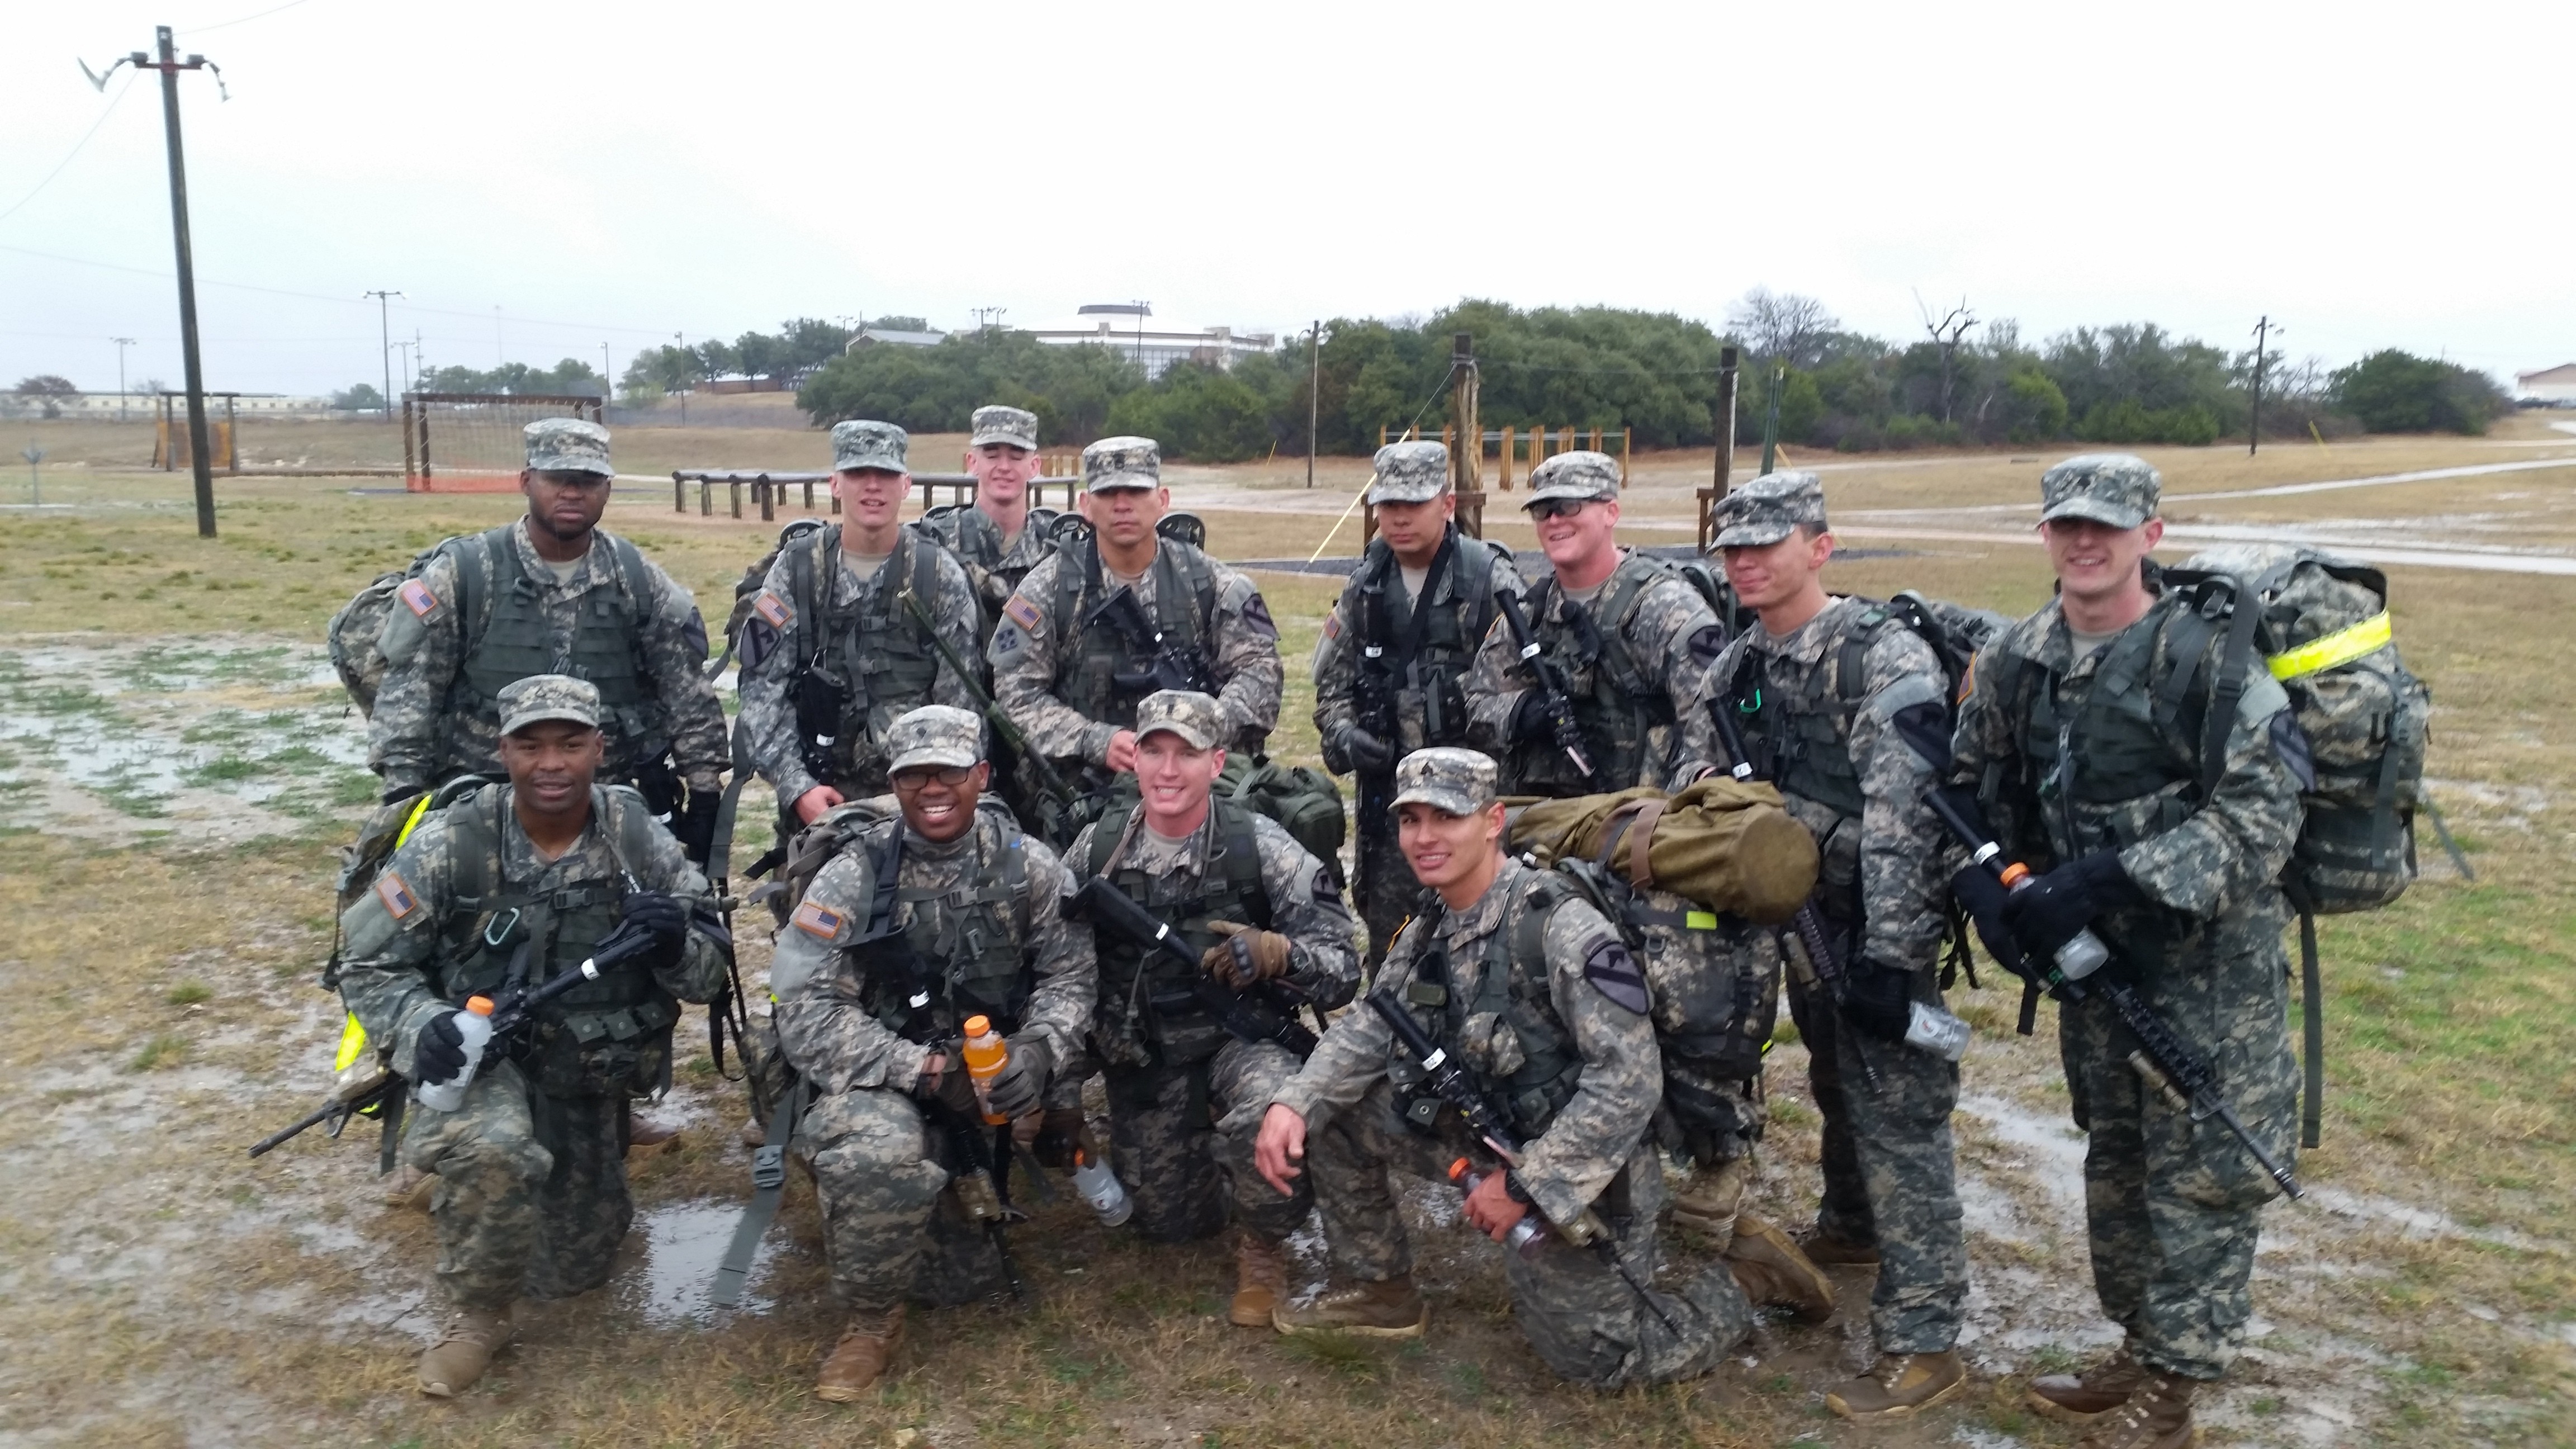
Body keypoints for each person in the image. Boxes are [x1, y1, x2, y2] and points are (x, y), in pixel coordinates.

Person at [1251, 748, 1829, 1388]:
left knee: (1602, 1363)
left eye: (1446, 818)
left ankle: (1750, 1274)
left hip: (1584, 1162)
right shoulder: (1435, 917)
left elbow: (1628, 1084)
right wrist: (1295, 1102)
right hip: (1488, 1124)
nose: (1424, 837)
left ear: (1494, 820)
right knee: (1336, 1110)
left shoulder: (1562, 929)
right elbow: (1374, 1023)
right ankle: (1380, 1289)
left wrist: (1527, 1188)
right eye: (1411, 820)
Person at [1947, 454, 2308, 1449]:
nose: (2083, 541)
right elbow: (1970, 791)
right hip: (2085, 963)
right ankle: (2142, 1344)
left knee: (2198, 1172)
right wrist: (1993, 896)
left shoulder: (2205, 660)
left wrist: (2103, 878)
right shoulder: (2019, 658)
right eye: (2065, 524)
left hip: (2206, 969)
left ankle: (2177, 1388)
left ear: (2150, 535)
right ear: (2044, 535)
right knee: (2116, 1158)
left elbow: (2259, 820)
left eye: (2105, 525)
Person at [335, 675, 727, 1397]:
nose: (552, 764)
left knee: (575, 1270)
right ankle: (476, 1316)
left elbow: (707, 977)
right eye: (532, 746)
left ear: (599, 751)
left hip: (589, 1068)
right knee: (497, 1153)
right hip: (480, 1059)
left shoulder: (635, 836)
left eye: (571, 745)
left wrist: (675, 944)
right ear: (503, 750)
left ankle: (466, 1183)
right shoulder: (454, 840)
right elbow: (365, 960)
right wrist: (424, 1026)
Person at [1706, 472, 1969, 1420]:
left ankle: (1925, 1339)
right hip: (1802, 920)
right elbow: (1719, 796)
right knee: (1831, 1077)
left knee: (1901, 1115)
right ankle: (1851, 1230)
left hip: (1883, 922)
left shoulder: (1878, 659)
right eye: (1730, 546)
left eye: (1765, 544)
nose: (1743, 561)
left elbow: (1906, 823)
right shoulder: (1735, 669)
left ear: (1818, 547)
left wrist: (1894, 966)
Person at [766, 705, 1094, 1400]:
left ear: (979, 775)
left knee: (960, 1284)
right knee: (874, 1155)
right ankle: (869, 1325)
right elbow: (805, 1012)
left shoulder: (1028, 866)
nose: (932, 789)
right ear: (894, 783)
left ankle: (947, 1199)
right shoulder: (853, 876)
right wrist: (922, 1071)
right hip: (881, 1080)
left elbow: (1071, 978)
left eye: (947, 772)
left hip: (986, 1083)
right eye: (913, 776)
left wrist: (1036, 1054)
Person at [1063, 690, 1359, 1328]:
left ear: (1217, 762)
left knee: (1271, 1105)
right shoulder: (1097, 849)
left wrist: (1282, 954)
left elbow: (1343, 972)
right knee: (1172, 1227)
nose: (1168, 771)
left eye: (1187, 755)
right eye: (1154, 752)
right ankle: (1197, 1144)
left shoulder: (1262, 847)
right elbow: (1057, 964)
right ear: (1133, 760)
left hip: (1239, 1038)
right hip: (1144, 1042)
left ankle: (1264, 1248)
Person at [368, 418, 729, 846]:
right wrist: (405, 795)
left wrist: (705, 793)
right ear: (526, 481)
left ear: (607, 490)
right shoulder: (466, 575)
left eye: (589, 481)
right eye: (558, 478)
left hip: (606, 810)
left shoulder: (637, 581)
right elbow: (411, 691)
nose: (573, 492)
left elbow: (686, 694)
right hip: (479, 803)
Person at [1312, 439, 1524, 963]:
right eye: (1389, 505)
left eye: (1414, 504)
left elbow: (1519, 697)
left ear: (1447, 505)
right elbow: (1332, 687)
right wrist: (1345, 735)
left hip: (1471, 813)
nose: (1400, 518)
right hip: (1391, 813)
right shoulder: (1366, 586)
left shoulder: (1488, 582)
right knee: (1392, 951)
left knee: (1488, 946)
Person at [990, 436, 1284, 780]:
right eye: (1108, 494)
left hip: (1195, 784)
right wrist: (1095, 739)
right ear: (1085, 504)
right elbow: (1015, 693)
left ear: (1162, 501)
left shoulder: (1211, 583)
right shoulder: (1047, 589)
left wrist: (1202, 727)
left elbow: (1262, 670)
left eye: (1136, 492)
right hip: (1088, 787)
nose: (1122, 505)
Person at [734, 420, 984, 822]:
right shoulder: (798, 570)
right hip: (817, 794)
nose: (872, 486)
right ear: (835, 483)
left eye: (885, 474)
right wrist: (797, 786)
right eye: (858, 474)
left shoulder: (937, 574)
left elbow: (962, 706)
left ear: (905, 486)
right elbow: (762, 689)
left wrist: (936, 793)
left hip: (916, 797)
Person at [1463, 451, 1726, 797]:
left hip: (1639, 824)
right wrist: (1523, 712)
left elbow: (1711, 731)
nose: (1555, 520)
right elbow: (1475, 703)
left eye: (1570, 506)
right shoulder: (1530, 614)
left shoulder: (1664, 609)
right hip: (1544, 822)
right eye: (1544, 510)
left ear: (1611, 512)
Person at [915, 404, 1064, 638]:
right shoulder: (938, 540)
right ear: (972, 462)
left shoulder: (1056, 543)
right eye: (992, 455)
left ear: (1034, 466)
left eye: (1016, 456)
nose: (1004, 467)